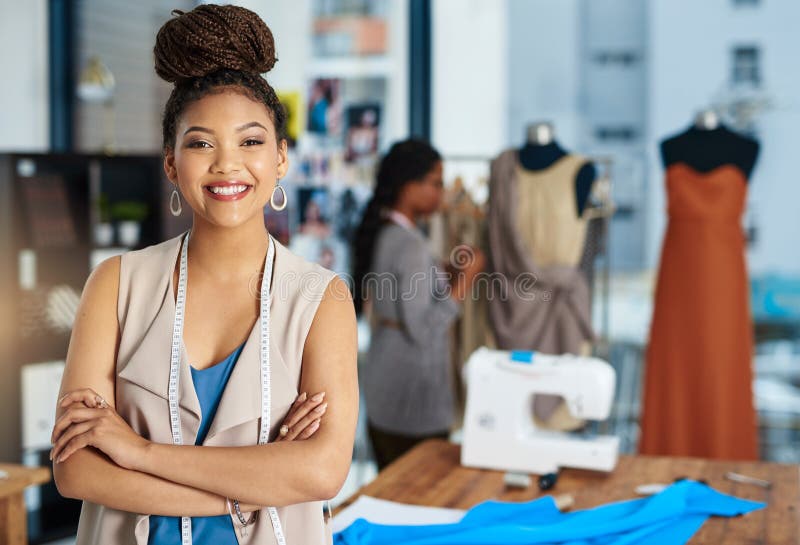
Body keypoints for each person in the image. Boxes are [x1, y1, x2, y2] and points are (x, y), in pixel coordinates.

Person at [50, 5, 358, 545]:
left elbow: (321, 473)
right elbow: (77, 470)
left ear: (281, 158)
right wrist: (262, 479)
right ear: (171, 162)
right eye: (200, 143)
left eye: (251, 141)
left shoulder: (320, 299)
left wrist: (138, 452)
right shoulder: (116, 284)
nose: (227, 164)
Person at [352, 139, 485, 470]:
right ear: (409, 186)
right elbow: (424, 329)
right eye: (436, 183)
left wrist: (440, 272)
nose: (441, 193)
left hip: (386, 388)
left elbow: (402, 294)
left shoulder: (387, 233)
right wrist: (465, 281)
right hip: (411, 401)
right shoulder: (409, 243)